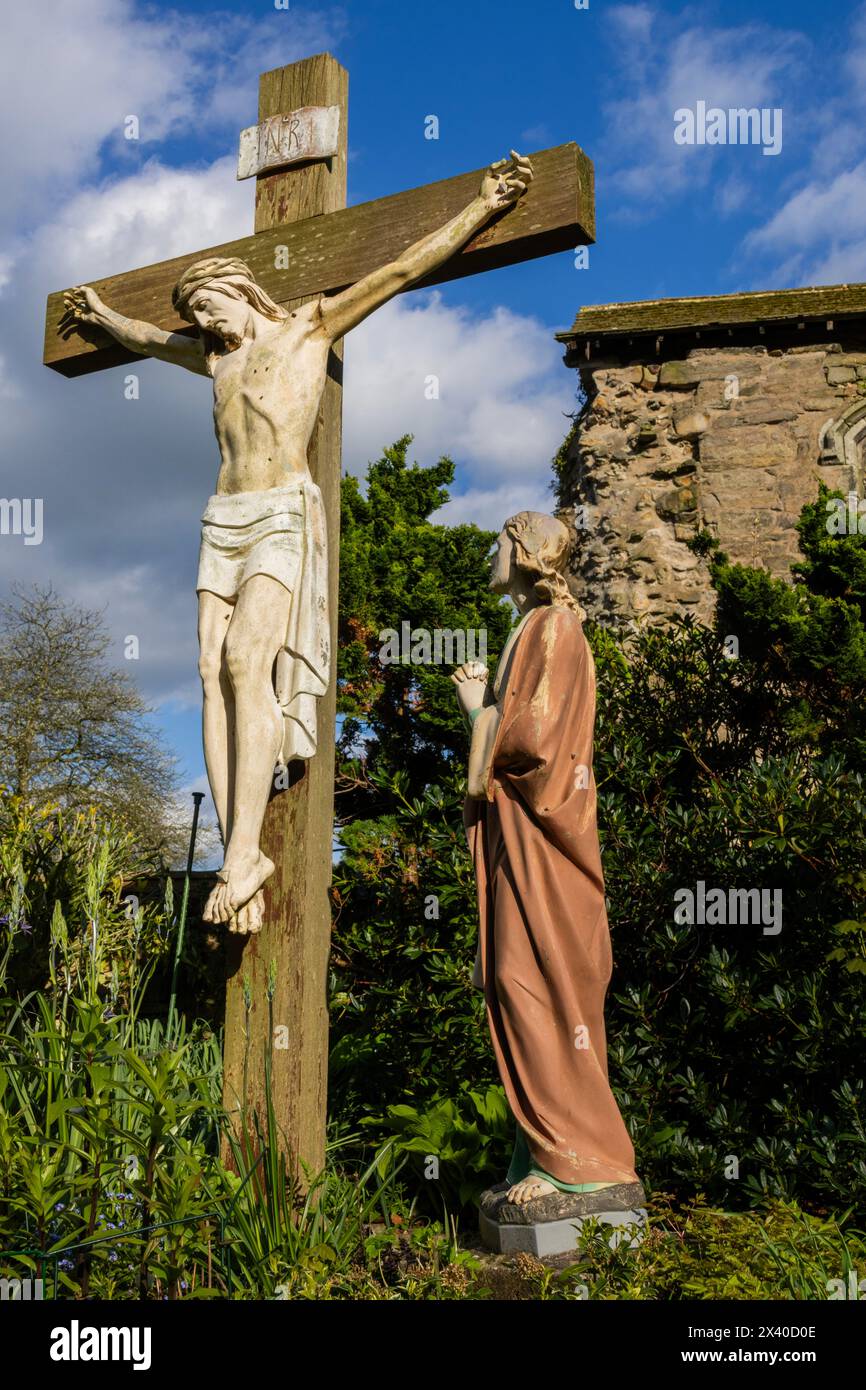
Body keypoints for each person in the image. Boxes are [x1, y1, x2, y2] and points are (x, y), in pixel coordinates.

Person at [64, 152, 533, 933]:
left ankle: (247, 851)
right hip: (222, 521)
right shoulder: (213, 359)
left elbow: (399, 270)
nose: (207, 323)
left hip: (279, 512)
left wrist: (481, 207)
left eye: (213, 305)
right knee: (211, 676)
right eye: (199, 314)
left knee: (251, 661)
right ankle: (234, 849)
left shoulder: (309, 327)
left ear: (243, 292)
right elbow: (147, 339)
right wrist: (106, 318)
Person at [452, 511, 644, 1220]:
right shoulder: (531, 629)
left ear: (526, 552)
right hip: (522, 835)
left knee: (529, 979)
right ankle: (544, 1152)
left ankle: (579, 1162)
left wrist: (477, 711)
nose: (490, 554)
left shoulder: (553, 630)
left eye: (498, 541)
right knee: (514, 978)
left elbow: (531, 742)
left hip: (545, 839)